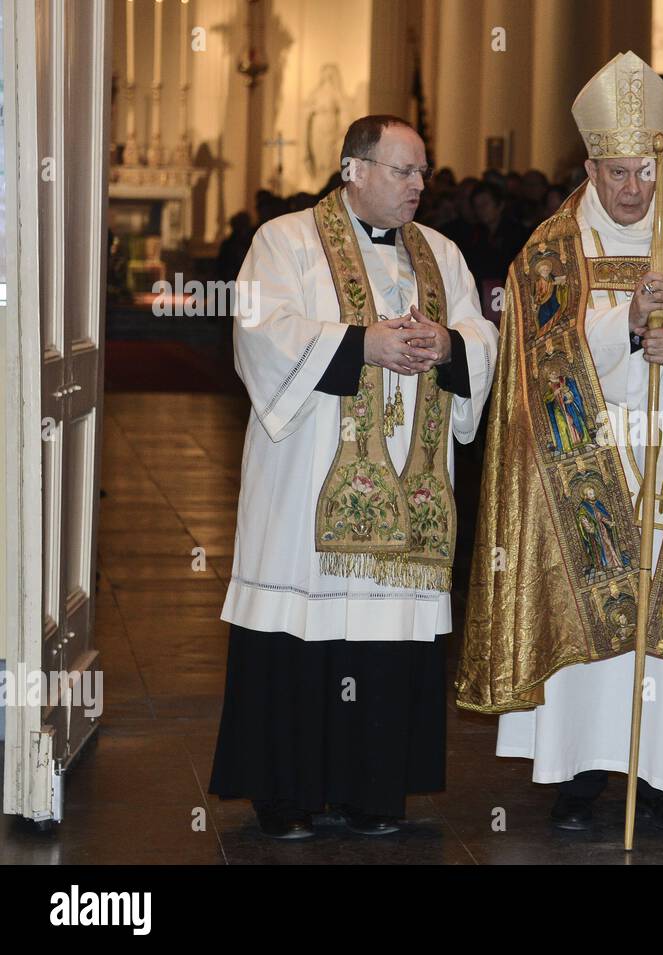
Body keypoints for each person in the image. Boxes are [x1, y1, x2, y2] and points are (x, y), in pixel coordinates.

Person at [457, 51, 663, 833]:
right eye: (617, 173)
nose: (633, 189)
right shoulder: (547, 250)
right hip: (578, 462)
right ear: (590, 166)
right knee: (586, 624)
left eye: (645, 173)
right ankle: (577, 777)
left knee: (656, 622)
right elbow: (535, 359)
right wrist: (622, 324)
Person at [208, 114, 499, 839]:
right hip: (304, 490)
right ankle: (287, 794)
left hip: (411, 495)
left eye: (423, 173)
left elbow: (484, 335)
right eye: (403, 171)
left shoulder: (442, 253)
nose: (418, 186)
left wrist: (450, 343)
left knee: (386, 638)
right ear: (354, 171)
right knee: (301, 632)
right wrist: (360, 345)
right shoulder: (285, 242)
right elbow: (259, 331)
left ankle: (374, 790)